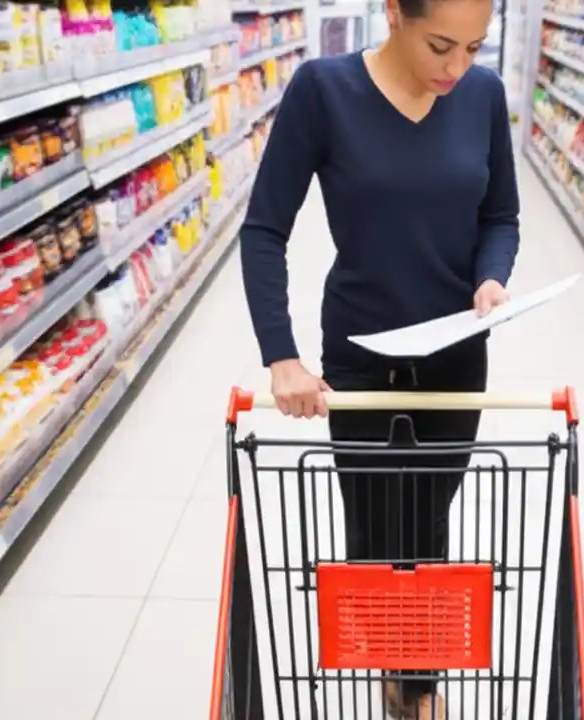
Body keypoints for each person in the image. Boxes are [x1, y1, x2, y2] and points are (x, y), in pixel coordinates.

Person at [238, 0, 519, 713]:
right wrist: (283, 357)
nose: (457, 68)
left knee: (429, 519)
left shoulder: (482, 95)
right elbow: (264, 229)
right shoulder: (323, 90)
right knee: (371, 523)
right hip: (360, 356)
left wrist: (491, 275)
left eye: (475, 48)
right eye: (441, 46)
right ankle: (405, 672)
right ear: (393, 12)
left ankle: (414, 677)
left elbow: (500, 216)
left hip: (456, 357)